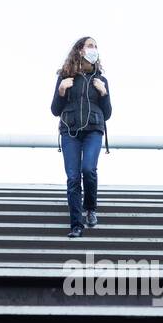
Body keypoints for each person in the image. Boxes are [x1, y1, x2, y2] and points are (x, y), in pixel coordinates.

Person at [50, 36, 111, 237]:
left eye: (96, 46)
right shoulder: (65, 77)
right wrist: (61, 90)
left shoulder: (101, 80)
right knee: (73, 177)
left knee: (88, 169)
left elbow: (108, 113)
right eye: (90, 45)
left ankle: (91, 208)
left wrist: (103, 93)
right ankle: (76, 225)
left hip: (93, 130)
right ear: (80, 50)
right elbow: (55, 110)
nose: (94, 49)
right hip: (70, 131)